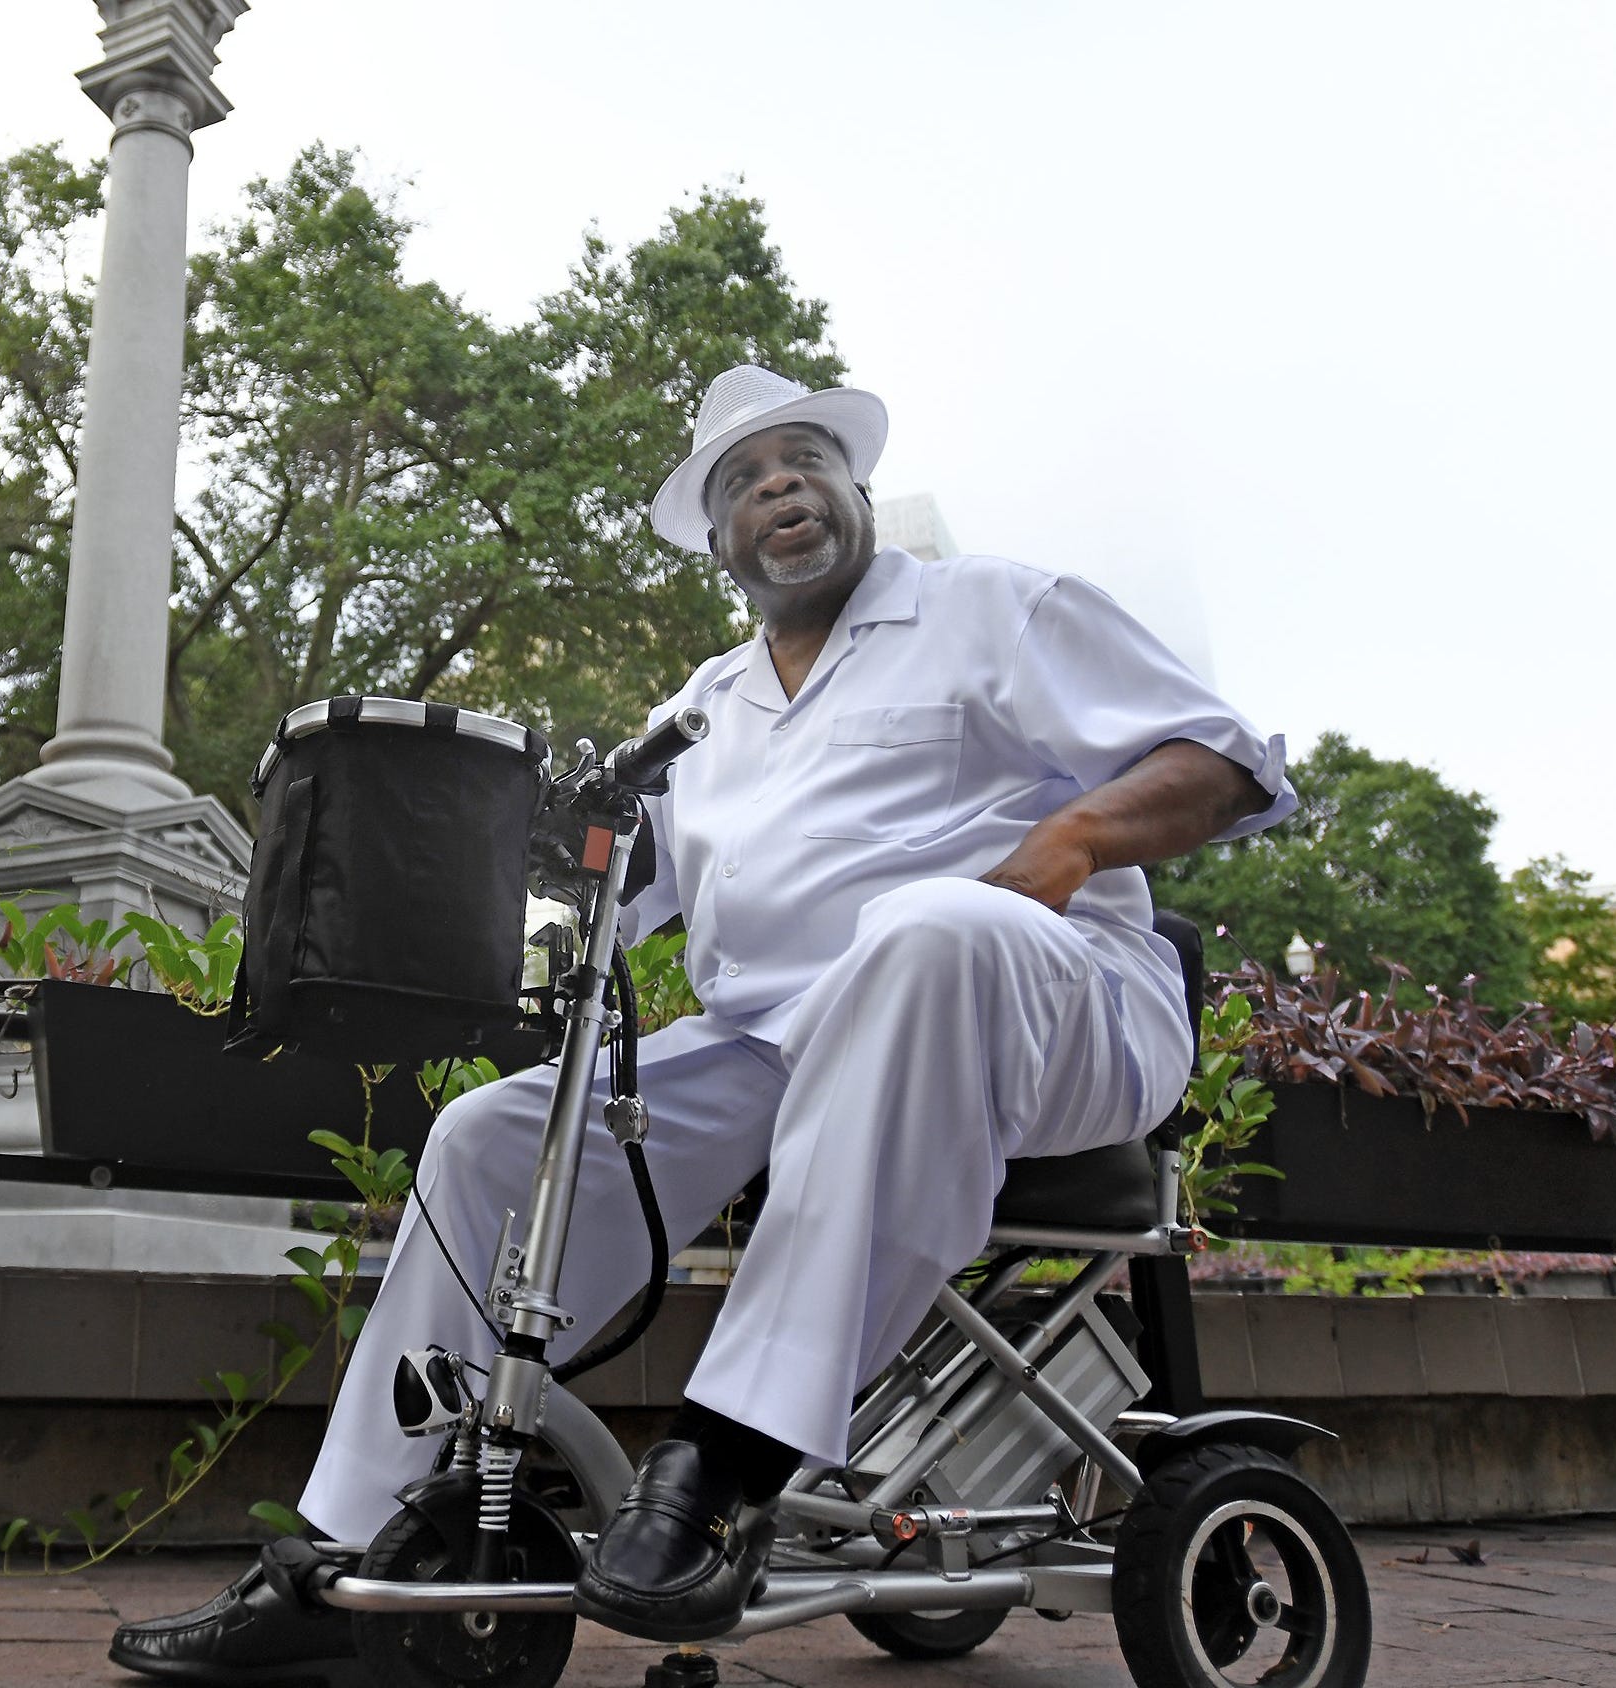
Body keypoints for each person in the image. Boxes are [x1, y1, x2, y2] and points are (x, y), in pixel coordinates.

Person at [110, 366, 1295, 1683]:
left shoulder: (988, 606)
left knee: (927, 929)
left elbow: (1224, 757)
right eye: (744, 480)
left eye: (804, 461)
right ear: (722, 541)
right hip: (783, 1041)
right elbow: (597, 892)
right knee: (485, 1139)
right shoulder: (703, 710)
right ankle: (345, 1555)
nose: (779, 486)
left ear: (850, 490)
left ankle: (726, 1463)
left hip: (1048, 999)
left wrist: (1066, 843)